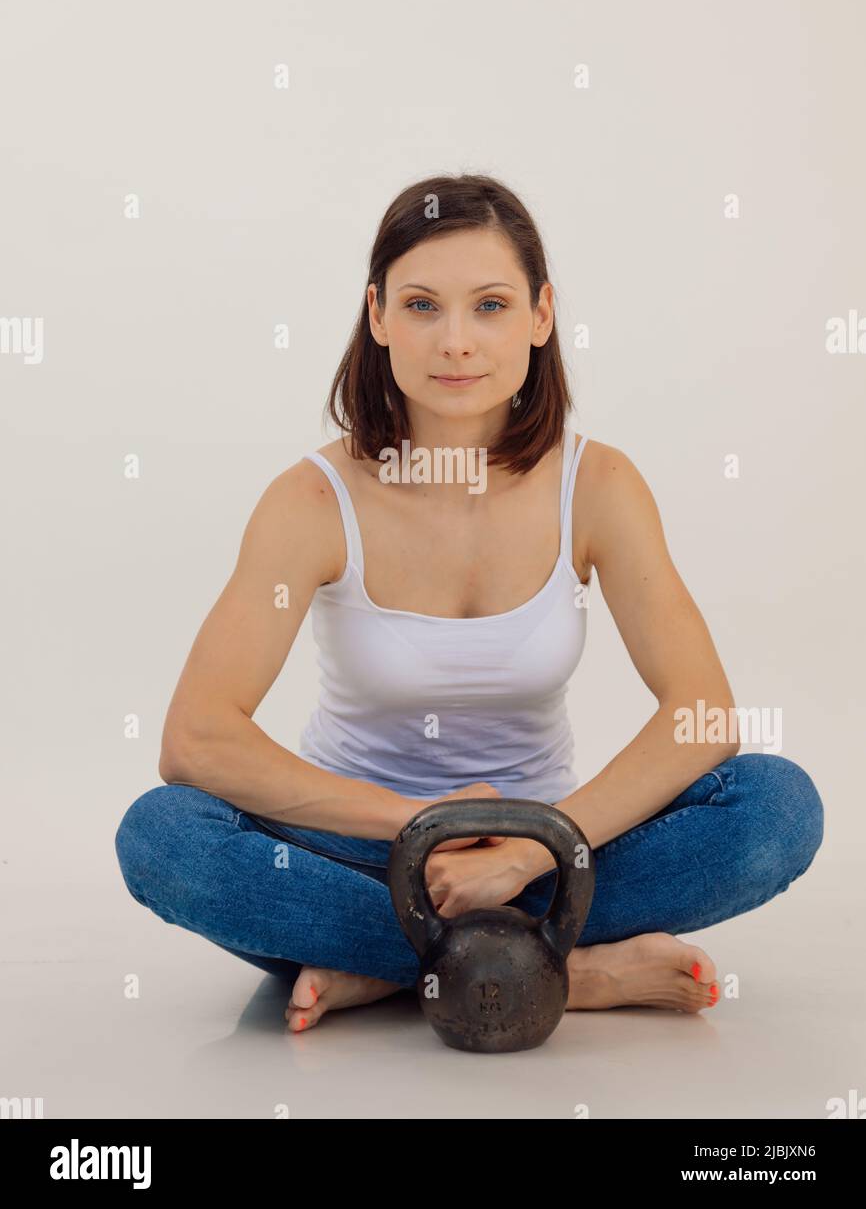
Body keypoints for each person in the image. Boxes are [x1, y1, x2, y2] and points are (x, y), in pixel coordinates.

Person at [115, 173, 824, 1034]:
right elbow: (195, 739)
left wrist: (526, 848)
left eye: (490, 306)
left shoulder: (598, 485)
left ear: (541, 315)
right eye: (422, 306)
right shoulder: (311, 501)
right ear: (378, 316)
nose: (456, 342)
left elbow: (703, 717)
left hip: (551, 853)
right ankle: (561, 969)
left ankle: (393, 965)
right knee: (164, 835)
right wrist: (424, 824)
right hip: (359, 852)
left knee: (775, 806)